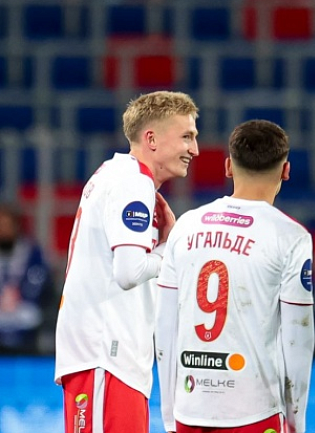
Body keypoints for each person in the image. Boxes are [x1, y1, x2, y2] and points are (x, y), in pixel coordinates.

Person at [154, 119, 315, 433]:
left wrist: (170, 415)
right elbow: (298, 337)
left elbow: (164, 325)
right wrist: (297, 421)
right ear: (286, 171)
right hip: (255, 411)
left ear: (228, 166)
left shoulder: (185, 226)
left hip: (190, 410)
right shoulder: (291, 237)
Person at [54, 91, 199, 433]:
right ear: (152, 139)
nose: (194, 149)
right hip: (106, 356)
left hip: (111, 357)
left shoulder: (116, 174)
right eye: (186, 136)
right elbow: (128, 271)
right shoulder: (133, 183)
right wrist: (170, 249)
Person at [0, 203, 53, 354]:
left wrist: (20, 298)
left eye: (7, 225)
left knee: (31, 315)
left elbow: (39, 279)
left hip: (23, 310)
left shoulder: (32, 252)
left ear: (16, 226)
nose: (3, 230)